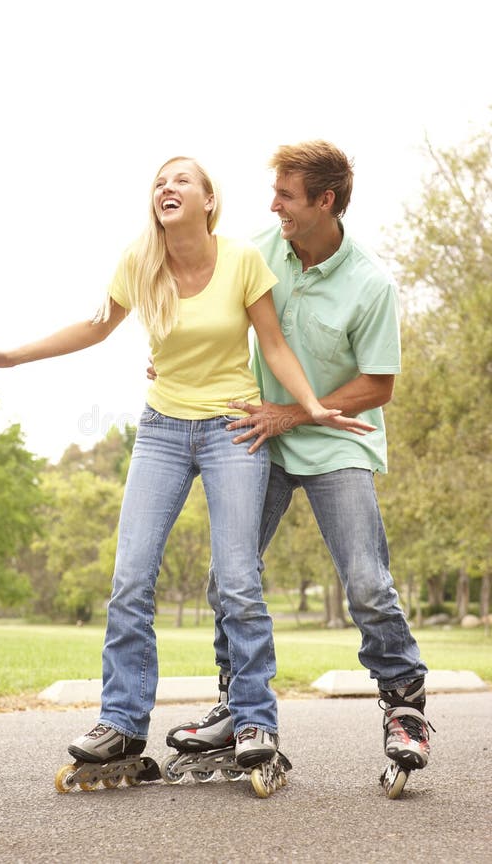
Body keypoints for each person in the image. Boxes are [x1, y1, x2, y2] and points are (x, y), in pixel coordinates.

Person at [0, 155, 372, 769]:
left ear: (209, 200)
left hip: (233, 428)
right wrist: (12, 356)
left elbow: (274, 345)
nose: (166, 187)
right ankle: (122, 722)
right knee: (130, 579)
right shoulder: (140, 261)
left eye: (181, 180)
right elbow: (94, 327)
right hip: (162, 431)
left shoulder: (242, 260)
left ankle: (254, 722)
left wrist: (310, 406)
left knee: (238, 581)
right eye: (159, 182)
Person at [166, 141, 432, 778]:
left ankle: (404, 704)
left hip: (337, 440)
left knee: (366, 583)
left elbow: (379, 385)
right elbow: (208, 308)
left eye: (286, 196)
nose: (274, 206)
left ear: (325, 201)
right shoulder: (258, 251)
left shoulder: (369, 284)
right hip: (263, 432)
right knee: (227, 575)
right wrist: (176, 357)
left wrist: (295, 412)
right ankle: (237, 704)